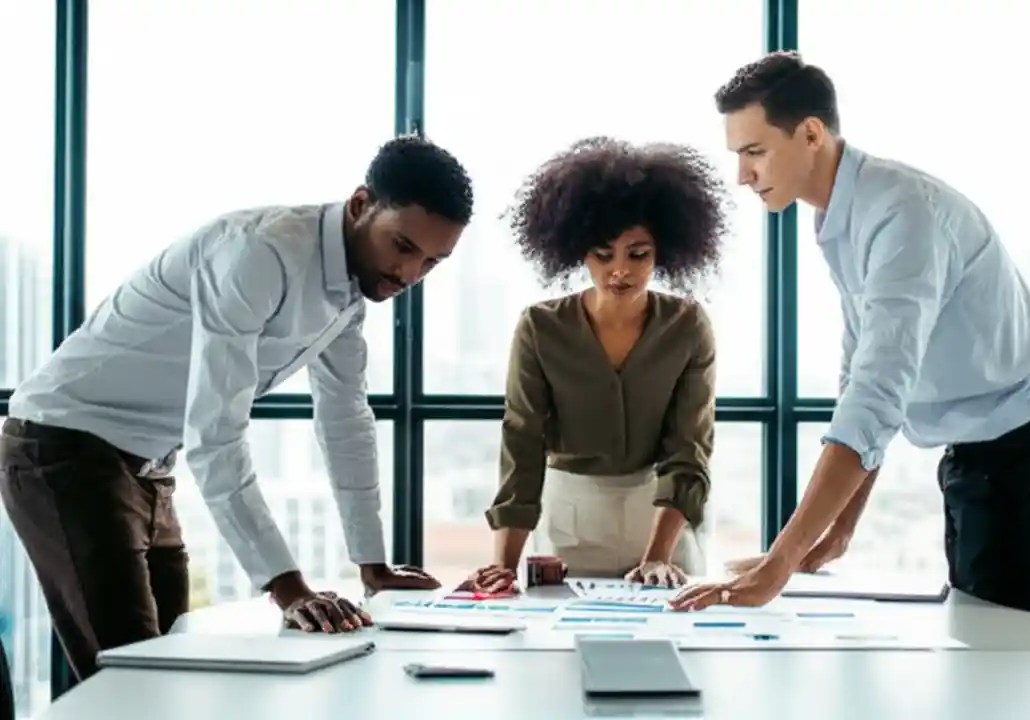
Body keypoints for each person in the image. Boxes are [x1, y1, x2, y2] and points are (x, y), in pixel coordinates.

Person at [0, 135, 472, 680]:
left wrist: (374, 566)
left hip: (146, 465)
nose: (409, 275)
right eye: (403, 246)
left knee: (168, 669)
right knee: (130, 685)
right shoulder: (260, 253)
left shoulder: (349, 294)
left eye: (432, 262)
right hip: (62, 448)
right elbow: (216, 435)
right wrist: (288, 589)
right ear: (361, 205)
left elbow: (346, 421)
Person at [673, 51, 1030, 617]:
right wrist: (837, 531)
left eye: (755, 152)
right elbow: (864, 383)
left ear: (811, 134)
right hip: (980, 461)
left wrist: (778, 566)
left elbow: (877, 393)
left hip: (1028, 459)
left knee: (1005, 672)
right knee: (984, 663)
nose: (742, 175)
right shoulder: (844, 218)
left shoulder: (902, 215)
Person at [472, 136, 729, 591]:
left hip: (663, 527)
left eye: (638, 253)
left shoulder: (687, 325)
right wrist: (504, 568)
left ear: (663, 250)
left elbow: (689, 447)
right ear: (577, 250)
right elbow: (522, 444)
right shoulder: (540, 327)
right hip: (570, 524)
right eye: (602, 254)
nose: (620, 271)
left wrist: (656, 558)